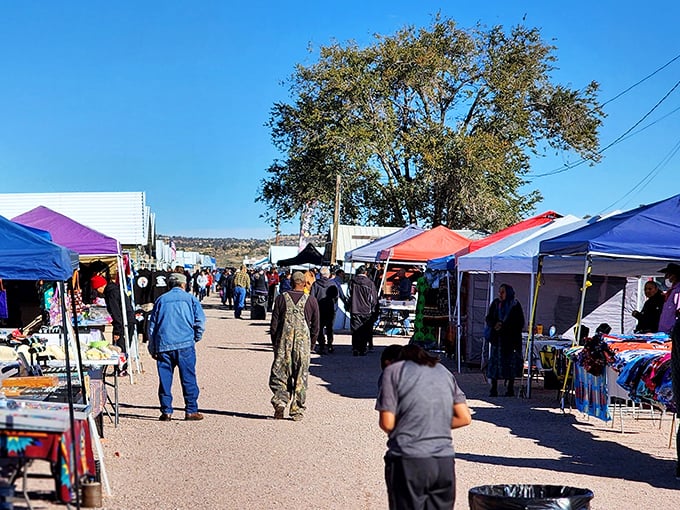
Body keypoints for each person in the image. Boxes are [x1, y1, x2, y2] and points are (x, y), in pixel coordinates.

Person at [375, 344, 472, 510]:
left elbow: (387, 423)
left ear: (388, 362)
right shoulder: (443, 371)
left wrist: (411, 426)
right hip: (444, 462)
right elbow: (464, 417)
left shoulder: (393, 371)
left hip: (408, 460)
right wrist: (432, 424)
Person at [148, 272, 206, 421]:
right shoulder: (190, 299)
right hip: (185, 344)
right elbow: (200, 322)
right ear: (183, 284)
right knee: (188, 378)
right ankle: (191, 410)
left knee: (165, 379)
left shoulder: (161, 300)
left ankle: (166, 411)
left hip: (164, 345)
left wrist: (152, 347)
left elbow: (152, 326)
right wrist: (195, 337)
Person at [269, 271, 319, 421]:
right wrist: (312, 345)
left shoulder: (280, 299)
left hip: (283, 344)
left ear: (291, 283)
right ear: (304, 284)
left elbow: (274, 325)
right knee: (300, 377)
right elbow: (316, 327)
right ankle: (297, 410)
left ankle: (280, 401)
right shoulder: (311, 301)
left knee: (280, 374)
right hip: (303, 346)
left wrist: (275, 343)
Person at [485, 283, 525, 397]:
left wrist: (505, 326)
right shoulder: (496, 304)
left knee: (510, 365)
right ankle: (493, 388)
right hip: (497, 340)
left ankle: (510, 388)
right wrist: (494, 324)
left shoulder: (515, 305)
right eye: (500, 292)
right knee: (495, 364)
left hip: (510, 341)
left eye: (503, 292)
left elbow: (520, 323)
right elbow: (488, 318)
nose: (500, 294)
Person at [91, 274, 135, 356]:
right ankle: (121, 366)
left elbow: (116, 313)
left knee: (119, 348)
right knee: (123, 346)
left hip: (125, 322)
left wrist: (117, 332)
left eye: (96, 290)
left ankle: (121, 367)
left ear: (100, 287)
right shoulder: (115, 289)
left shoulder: (111, 294)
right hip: (126, 320)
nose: (97, 292)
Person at [349, 265, 379, 356]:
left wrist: (350, 305)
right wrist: (373, 308)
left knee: (355, 330)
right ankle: (362, 348)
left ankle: (355, 348)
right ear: (365, 273)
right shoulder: (370, 283)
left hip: (355, 309)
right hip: (367, 310)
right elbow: (373, 299)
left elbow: (348, 295)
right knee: (365, 330)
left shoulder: (352, 282)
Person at [311, 267, 339, 354]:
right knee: (330, 328)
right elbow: (336, 297)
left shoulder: (315, 284)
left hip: (319, 309)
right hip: (330, 308)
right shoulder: (333, 284)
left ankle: (322, 345)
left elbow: (312, 297)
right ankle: (330, 344)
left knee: (319, 328)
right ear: (328, 274)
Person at [658, 263, 680, 334]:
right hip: (665, 332)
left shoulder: (678, 291)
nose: (666, 277)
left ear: (675, 275)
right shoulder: (671, 291)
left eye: (668, 275)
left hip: (673, 332)